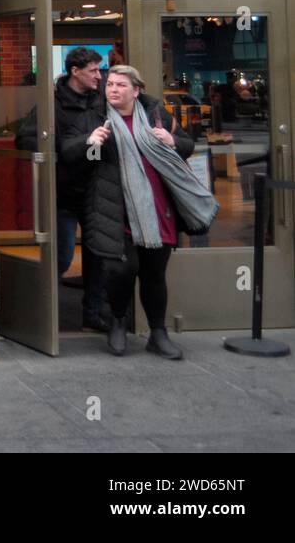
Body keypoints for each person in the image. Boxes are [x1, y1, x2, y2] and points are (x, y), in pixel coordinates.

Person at [63, 65, 219, 359]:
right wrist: (89, 143)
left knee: (154, 274)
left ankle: (158, 333)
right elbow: (67, 152)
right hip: (113, 209)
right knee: (121, 270)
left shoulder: (156, 116)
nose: (113, 89)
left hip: (159, 210)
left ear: (136, 90)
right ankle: (118, 322)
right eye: (110, 84)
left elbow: (187, 143)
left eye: (121, 85)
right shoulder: (93, 118)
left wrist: (173, 141)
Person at [53, 48, 110, 331]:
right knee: (62, 256)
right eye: (93, 71)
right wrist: (82, 143)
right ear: (75, 71)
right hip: (64, 192)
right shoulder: (52, 102)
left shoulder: (103, 98)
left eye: (100, 70)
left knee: (97, 257)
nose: (98, 76)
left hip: (97, 190)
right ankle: (44, 314)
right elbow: (28, 140)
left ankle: (93, 314)